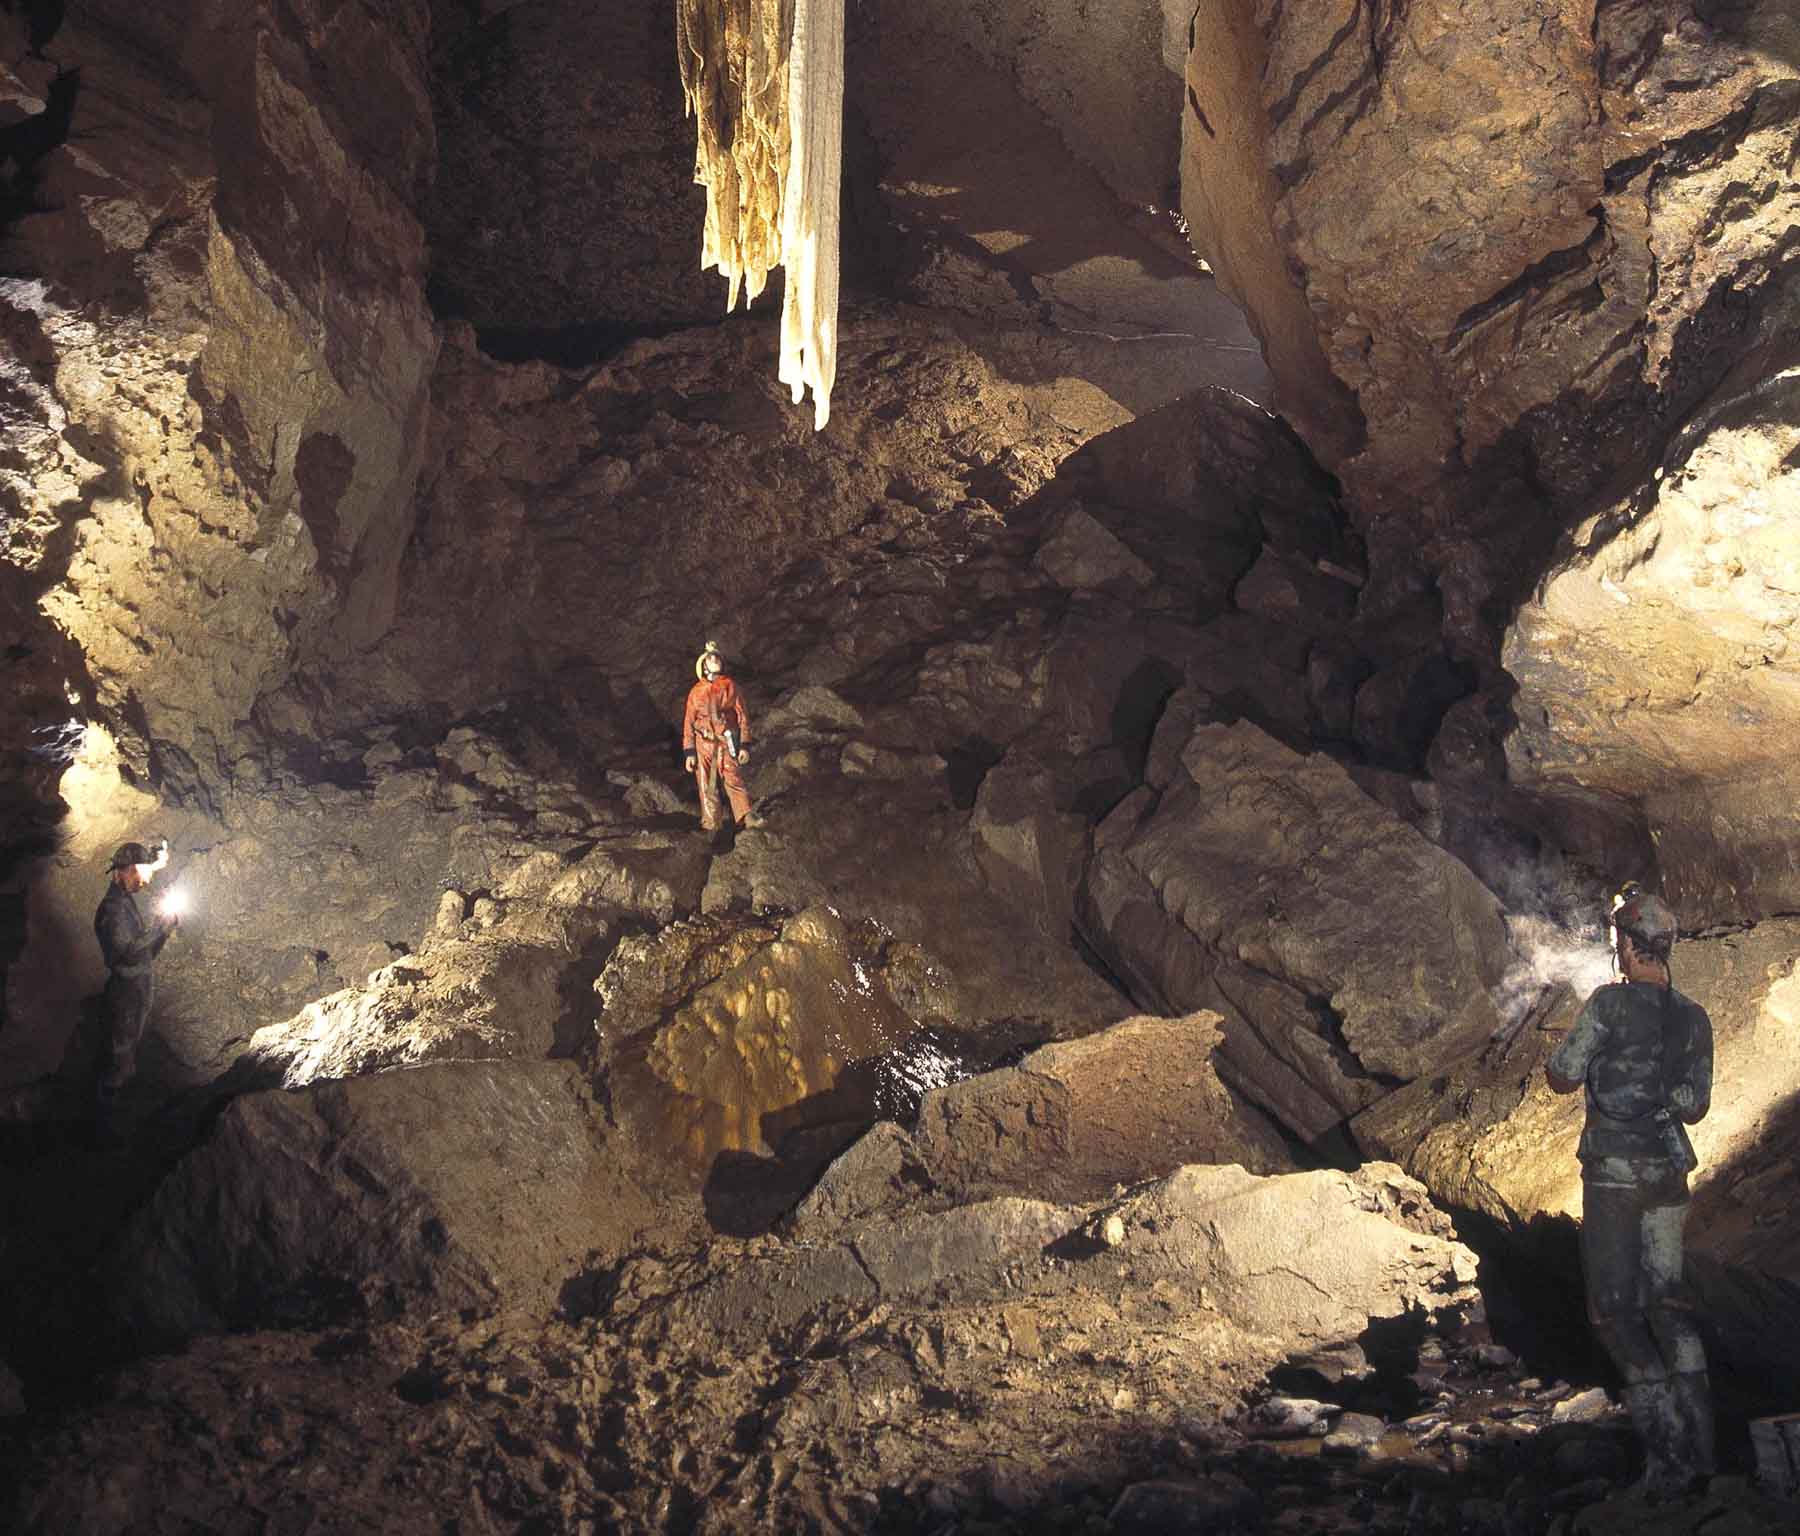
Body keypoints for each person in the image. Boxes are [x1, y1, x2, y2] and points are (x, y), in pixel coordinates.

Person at [1546, 887, 1714, 1497]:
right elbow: (1695, 1106)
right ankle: (1704, 1450)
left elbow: (1562, 1075)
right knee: (1669, 1307)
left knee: (1614, 1314)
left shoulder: (1607, 1007)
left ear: (1625, 944)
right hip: (1668, 1177)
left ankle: (1667, 1461)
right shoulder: (1693, 1016)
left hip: (1615, 1178)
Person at [94, 840, 179, 1133]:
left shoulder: (122, 897)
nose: (145, 881)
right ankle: (106, 1122)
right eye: (140, 874)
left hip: (138, 983)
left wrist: (163, 930)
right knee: (121, 1054)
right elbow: (128, 951)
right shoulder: (112, 911)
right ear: (125, 871)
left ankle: (115, 1106)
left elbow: (143, 952)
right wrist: (159, 927)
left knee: (129, 1046)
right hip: (127, 990)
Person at [681, 641, 763, 833]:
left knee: (733, 777)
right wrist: (689, 752)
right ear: (703, 665)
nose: (715, 660)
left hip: (726, 741)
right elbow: (688, 722)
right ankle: (711, 825)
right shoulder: (696, 691)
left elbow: (742, 716)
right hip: (703, 744)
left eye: (717, 657)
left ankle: (746, 816)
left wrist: (744, 745)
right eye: (710, 658)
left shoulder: (730, 686)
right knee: (705, 784)